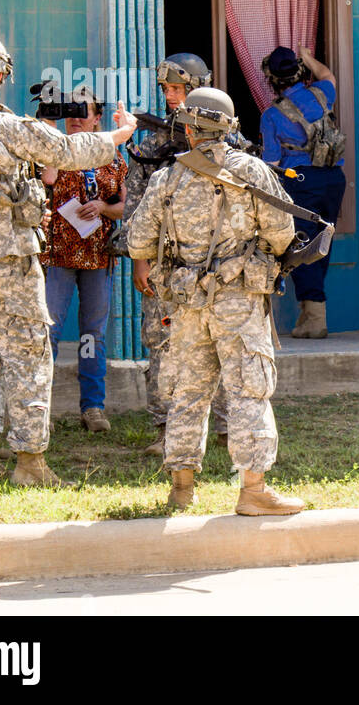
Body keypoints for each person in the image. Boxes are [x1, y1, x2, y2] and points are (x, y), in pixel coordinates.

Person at [0, 34, 137, 486]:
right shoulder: (3, 125)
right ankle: (29, 463)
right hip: (10, 257)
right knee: (30, 355)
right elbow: (69, 153)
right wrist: (119, 134)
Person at [127, 87, 303, 514]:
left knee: (188, 393)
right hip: (238, 302)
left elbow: (136, 242)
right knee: (247, 391)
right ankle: (254, 491)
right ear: (227, 128)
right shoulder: (253, 171)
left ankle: (182, 489)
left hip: (187, 304)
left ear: (189, 130)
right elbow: (282, 234)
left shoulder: (166, 178)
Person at [116, 53, 230, 455]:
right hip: (165, 267)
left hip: (219, 265)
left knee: (222, 343)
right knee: (161, 343)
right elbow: (134, 208)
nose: (170, 96)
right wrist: (140, 261)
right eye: (166, 88)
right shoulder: (153, 144)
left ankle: (227, 429)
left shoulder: (228, 143)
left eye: (178, 88)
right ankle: (165, 428)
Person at [39, 88, 128, 433]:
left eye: (83, 111)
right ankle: (39, 408)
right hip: (57, 257)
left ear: (97, 119)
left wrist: (104, 208)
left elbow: (126, 205)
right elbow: (47, 178)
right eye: (70, 111)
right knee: (47, 333)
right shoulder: (55, 150)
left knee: (93, 335)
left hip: (97, 260)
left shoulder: (115, 159)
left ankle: (92, 407)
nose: (76, 117)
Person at [259, 46, 345, 339]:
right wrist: (309, 57)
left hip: (300, 181)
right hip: (334, 178)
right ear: (298, 72)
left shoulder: (271, 115)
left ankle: (315, 317)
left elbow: (271, 163)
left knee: (301, 247)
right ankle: (311, 313)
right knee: (322, 243)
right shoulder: (322, 93)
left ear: (271, 79)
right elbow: (328, 74)